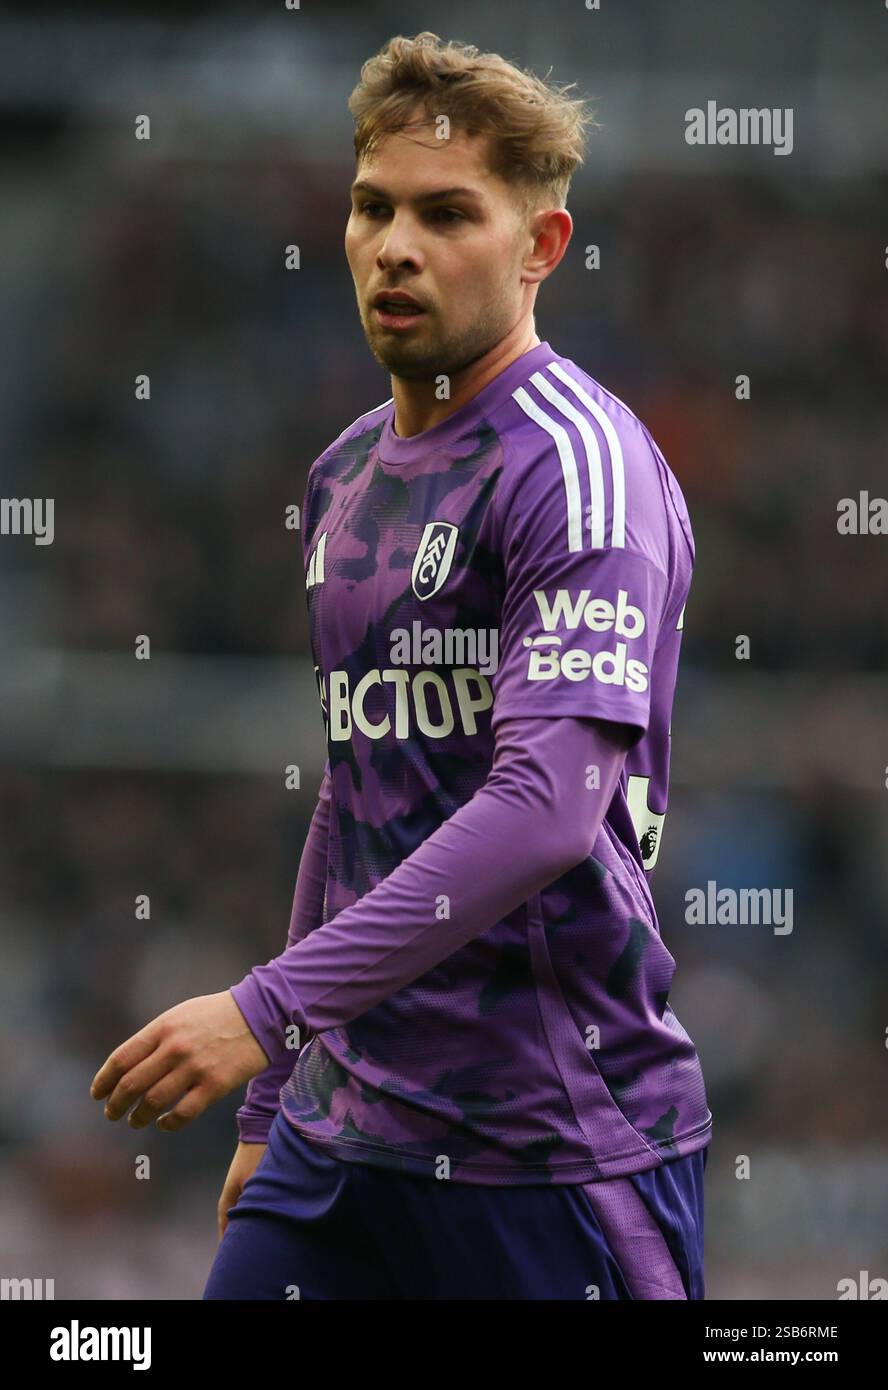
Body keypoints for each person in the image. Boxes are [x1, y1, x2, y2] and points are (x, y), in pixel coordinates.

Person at [91, 31, 711, 1301]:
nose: (394, 245)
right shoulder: (345, 474)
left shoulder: (576, 469)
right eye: (373, 206)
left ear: (539, 247)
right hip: (344, 1139)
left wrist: (262, 1011)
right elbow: (356, 789)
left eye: (446, 213)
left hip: (552, 1146)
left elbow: (544, 812)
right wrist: (273, 1098)